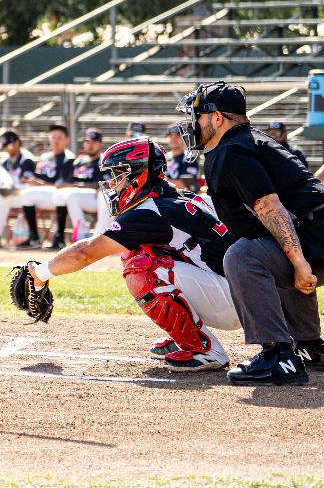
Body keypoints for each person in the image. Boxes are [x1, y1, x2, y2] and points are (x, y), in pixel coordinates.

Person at [176, 80, 324, 385]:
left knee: (242, 256)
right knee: (267, 250)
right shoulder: (252, 140)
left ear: (217, 117)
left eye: (200, 116)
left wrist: (302, 263)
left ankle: (279, 355)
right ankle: (309, 347)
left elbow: (270, 207)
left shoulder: (230, 150)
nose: (194, 124)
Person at [27, 138, 240, 371]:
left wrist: (40, 272)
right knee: (141, 252)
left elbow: (85, 252)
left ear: (137, 174)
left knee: (142, 267)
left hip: (233, 300)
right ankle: (186, 333)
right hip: (241, 294)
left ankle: (204, 349)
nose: (113, 185)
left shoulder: (150, 210)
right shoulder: (179, 197)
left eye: (117, 176)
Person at [18, 124, 75, 250]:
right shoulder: (45, 157)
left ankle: (59, 238)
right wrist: (30, 179)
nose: (55, 140)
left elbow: (63, 184)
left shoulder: (69, 158)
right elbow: (40, 176)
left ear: (67, 140)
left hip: (58, 194)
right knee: (25, 194)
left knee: (30, 195)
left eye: (59, 137)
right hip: (43, 193)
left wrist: (39, 183)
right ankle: (34, 238)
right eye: (53, 137)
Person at [52, 128, 110, 242]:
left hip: (96, 198)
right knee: (63, 195)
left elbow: (103, 185)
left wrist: (75, 186)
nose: (90, 145)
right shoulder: (79, 162)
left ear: (101, 144)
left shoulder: (104, 161)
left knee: (72, 196)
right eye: (88, 142)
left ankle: (88, 235)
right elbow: (69, 182)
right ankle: (78, 235)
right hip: (79, 197)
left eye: (94, 142)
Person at [164, 124, 201, 191]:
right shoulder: (164, 157)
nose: (173, 139)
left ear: (184, 138)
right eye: (170, 136)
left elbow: (183, 185)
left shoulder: (190, 158)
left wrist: (161, 180)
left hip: (184, 199)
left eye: (177, 136)